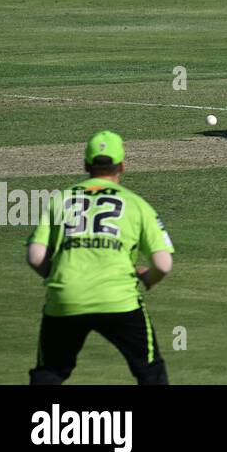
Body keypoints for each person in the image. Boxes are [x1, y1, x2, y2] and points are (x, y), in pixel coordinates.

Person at [26, 131, 175, 385]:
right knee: (150, 372)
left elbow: (35, 256)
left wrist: (59, 274)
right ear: (123, 166)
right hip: (118, 299)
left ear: (85, 165)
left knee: (49, 372)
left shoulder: (61, 199)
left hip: (66, 296)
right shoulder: (136, 204)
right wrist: (148, 278)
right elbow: (163, 263)